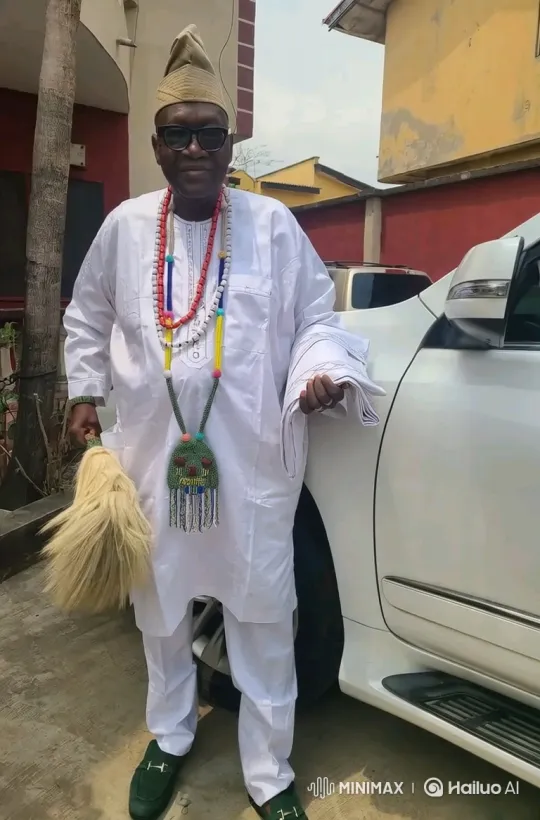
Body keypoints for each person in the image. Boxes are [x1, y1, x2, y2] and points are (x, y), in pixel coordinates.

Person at [63, 25, 378, 820]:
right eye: (179, 134)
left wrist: (318, 374)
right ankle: (169, 738)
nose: (195, 147)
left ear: (230, 141)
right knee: (161, 613)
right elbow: (86, 314)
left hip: (252, 468)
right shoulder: (127, 228)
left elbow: (317, 319)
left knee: (264, 618)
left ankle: (269, 772)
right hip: (149, 460)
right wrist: (82, 389)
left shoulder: (272, 228)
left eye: (209, 132)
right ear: (159, 146)